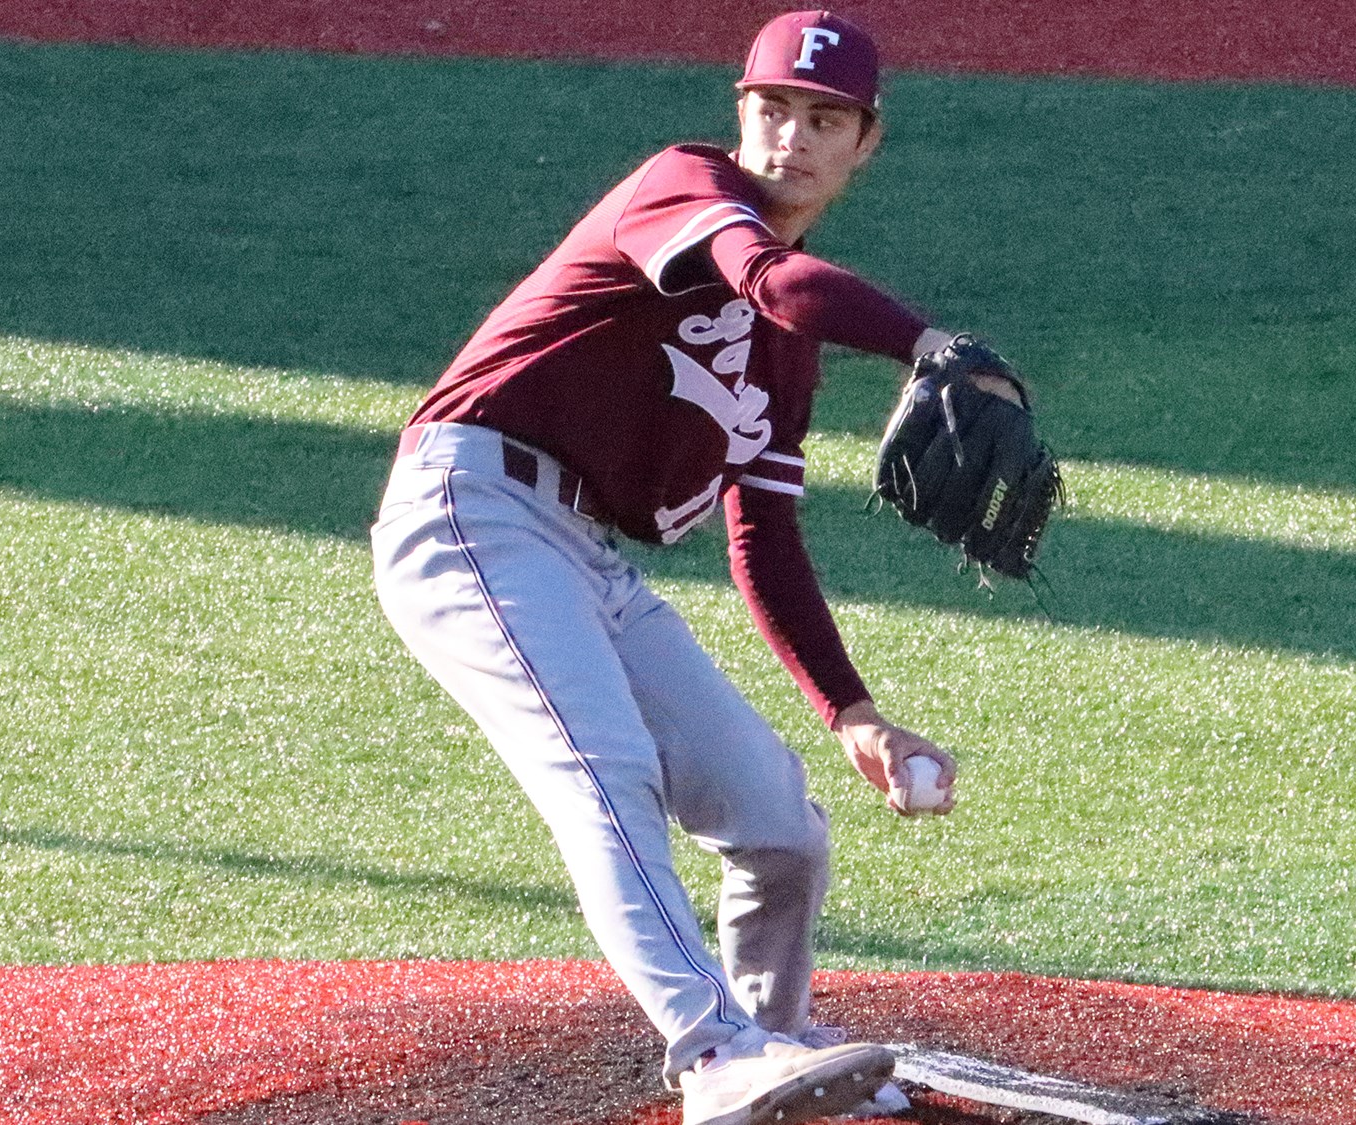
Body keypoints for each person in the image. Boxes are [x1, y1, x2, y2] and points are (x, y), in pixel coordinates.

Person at [371, 11, 969, 1124]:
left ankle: (777, 1040)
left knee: (776, 820)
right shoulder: (684, 188)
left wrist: (850, 710)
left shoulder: (787, 353)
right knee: (603, 776)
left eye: (823, 118)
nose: (792, 136)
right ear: (739, 114)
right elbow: (765, 276)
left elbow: (764, 534)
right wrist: (931, 346)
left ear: (863, 142)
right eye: (773, 109)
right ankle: (713, 1056)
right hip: (470, 512)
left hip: (580, 555)